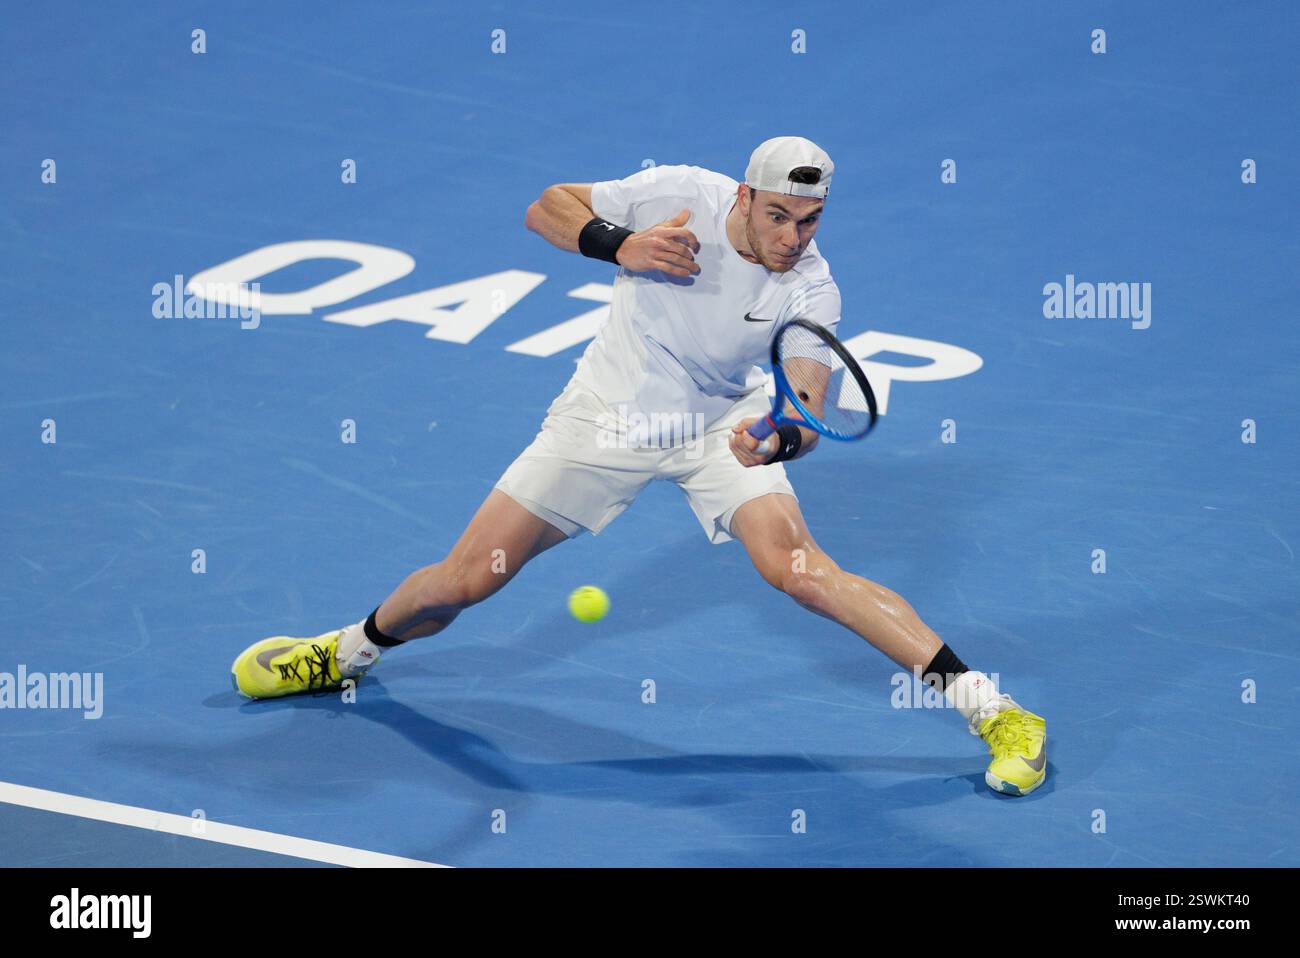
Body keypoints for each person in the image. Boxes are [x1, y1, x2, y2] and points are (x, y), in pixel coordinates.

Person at [230, 136, 1048, 796]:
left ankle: (999, 713)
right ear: (741, 197)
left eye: (811, 221)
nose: (793, 238)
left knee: (801, 570)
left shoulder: (811, 289)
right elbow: (545, 207)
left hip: (719, 424)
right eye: (779, 217)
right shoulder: (678, 190)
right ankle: (344, 652)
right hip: (605, 416)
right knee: (463, 582)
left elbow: (806, 403)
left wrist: (775, 435)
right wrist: (619, 246)